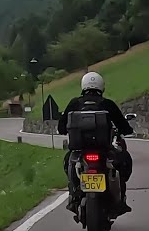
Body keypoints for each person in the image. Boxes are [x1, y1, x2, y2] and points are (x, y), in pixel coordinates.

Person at [57, 71, 135, 215]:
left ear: (83, 86)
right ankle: (121, 200)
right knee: (124, 161)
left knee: (68, 161)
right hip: (104, 149)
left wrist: (64, 130)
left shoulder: (75, 103)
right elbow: (123, 126)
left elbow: (61, 127)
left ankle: (73, 195)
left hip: (80, 150)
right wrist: (127, 130)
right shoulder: (107, 104)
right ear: (101, 86)